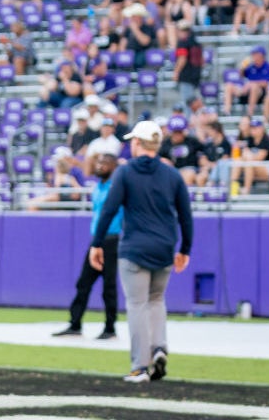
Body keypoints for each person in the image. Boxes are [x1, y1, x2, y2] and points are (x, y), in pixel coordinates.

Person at [91, 120, 193, 383]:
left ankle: (140, 366)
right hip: (164, 248)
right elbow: (185, 215)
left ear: (137, 142)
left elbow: (109, 209)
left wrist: (96, 243)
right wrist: (185, 249)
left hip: (135, 248)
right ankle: (159, 347)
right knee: (157, 300)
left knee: (137, 305)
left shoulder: (125, 173)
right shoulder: (171, 175)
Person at [53, 153, 122, 340]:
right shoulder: (98, 187)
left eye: (105, 163)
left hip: (112, 240)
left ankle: (110, 328)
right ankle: (75, 324)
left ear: (114, 167)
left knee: (109, 286)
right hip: (96, 240)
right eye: (98, 162)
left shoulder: (118, 188)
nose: (100, 166)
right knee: (83, 283)